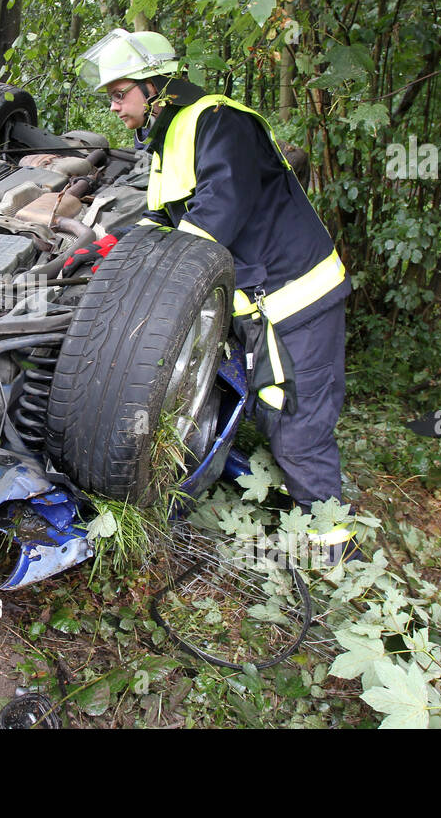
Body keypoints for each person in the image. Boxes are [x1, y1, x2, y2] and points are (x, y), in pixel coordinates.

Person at [72, 28, 360, 564]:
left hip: (297, 298)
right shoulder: (169, 137)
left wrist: (151, 282)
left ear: (155, 87)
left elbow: (216, 216)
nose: (113, 107)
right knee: (269, 407)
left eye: (119, 93)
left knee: (297, 421)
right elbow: (163, 217)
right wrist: (109, 248)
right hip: (257, 303)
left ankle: (335, 551)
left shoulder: (219, 122)